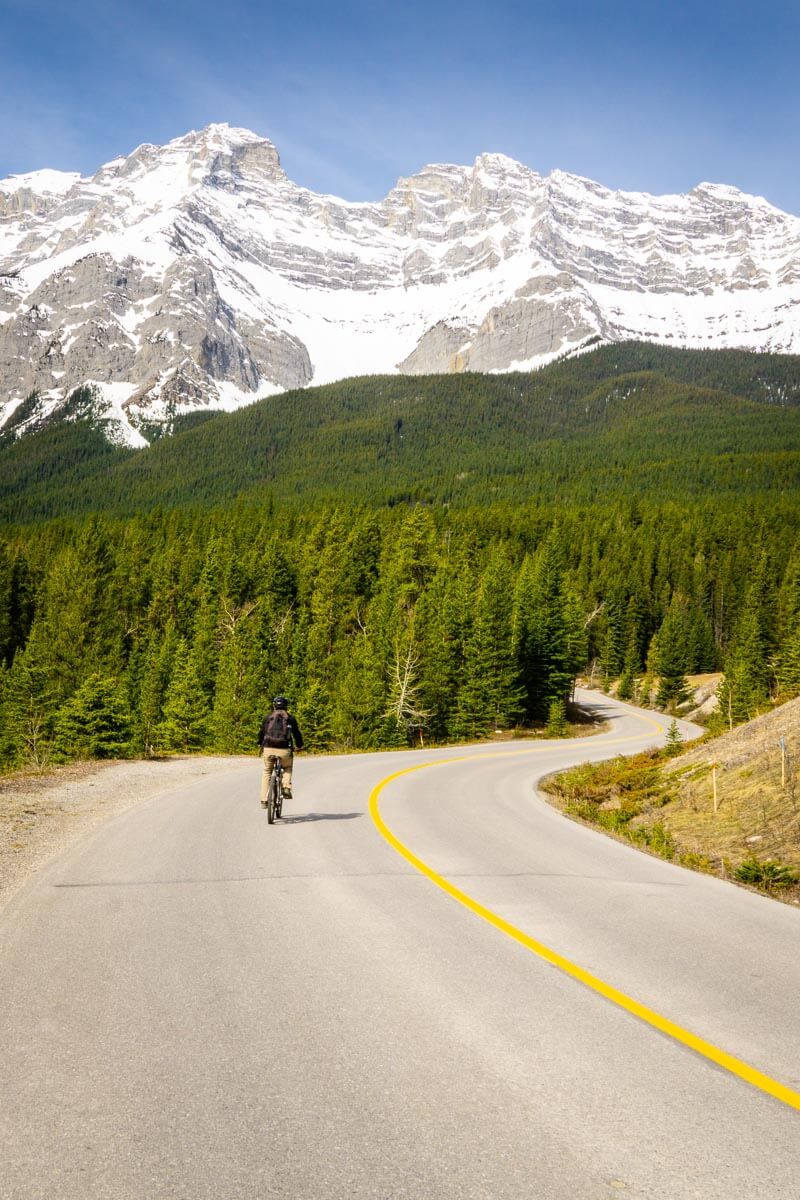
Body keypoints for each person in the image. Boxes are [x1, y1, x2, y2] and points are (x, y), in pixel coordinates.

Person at [258, 696, 303, 807]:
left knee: (267, 771)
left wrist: (259, 743)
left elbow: (262, 732)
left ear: (274, 706)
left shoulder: (268, 717)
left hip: (268, 748)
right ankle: (286, 787)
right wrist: (300, 745)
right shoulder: (290, 718)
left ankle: (264, 800)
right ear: (286, 706)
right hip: (284, 750)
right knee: (287, 767)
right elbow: (296, 733)